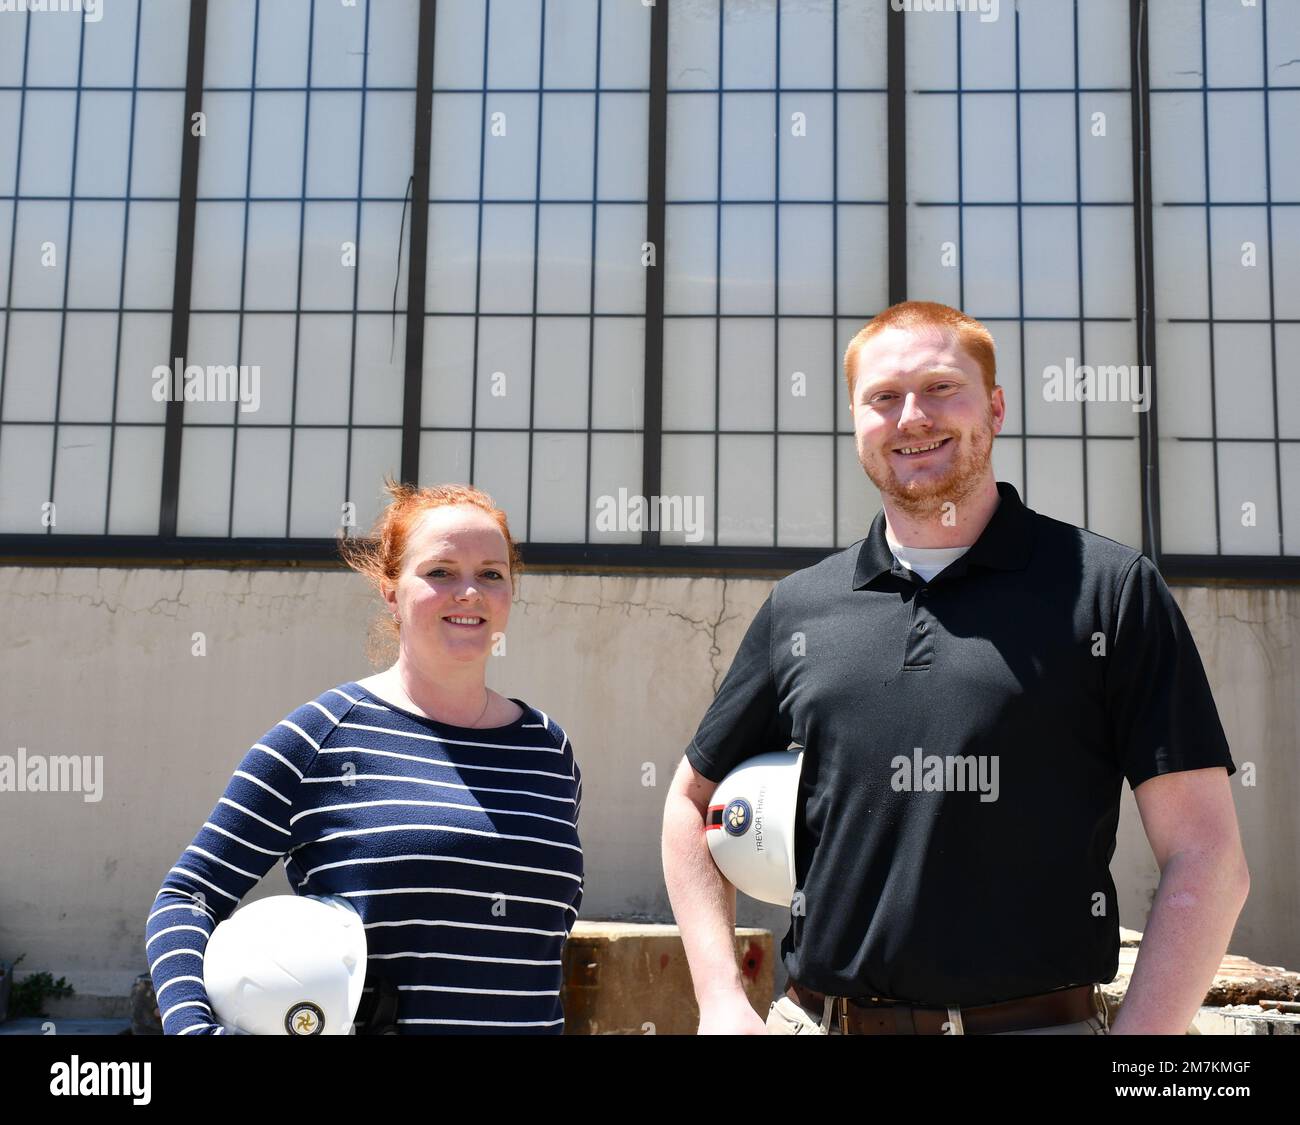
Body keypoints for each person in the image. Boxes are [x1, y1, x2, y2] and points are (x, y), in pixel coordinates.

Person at [662, 300, 1248, 1036]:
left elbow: (1208, 856)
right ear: (855, 421)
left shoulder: (1108, 591)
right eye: (883, 397)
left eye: (942, 387)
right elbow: (688, 806)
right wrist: (720, 998)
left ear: (995, 407)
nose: (912, 417)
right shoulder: (800, 609)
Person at [144, 478, 583, 1034]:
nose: (469, 592)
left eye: (491, 575)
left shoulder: (547, 748)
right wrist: (191, 1030)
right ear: (390, 588)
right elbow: (187, 896)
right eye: (441, 572)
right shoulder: (322, 736)